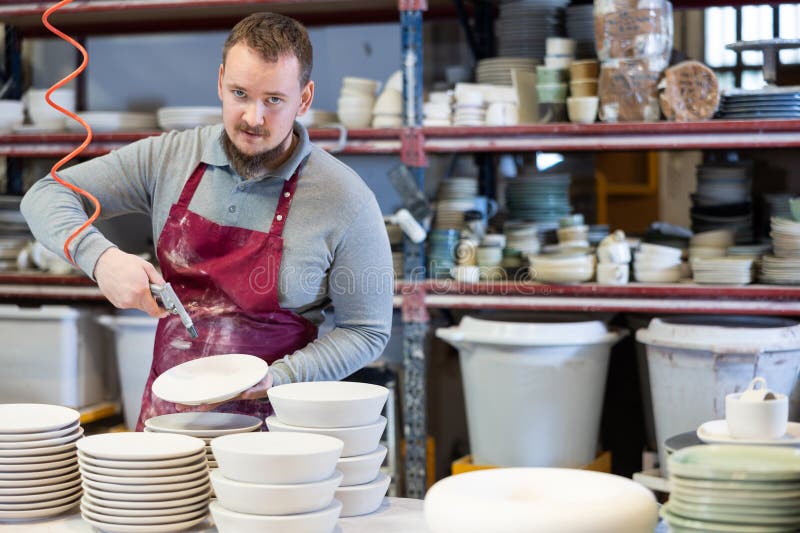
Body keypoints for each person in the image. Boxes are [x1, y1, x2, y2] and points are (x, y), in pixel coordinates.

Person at [21, 12, 393, 430]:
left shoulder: (345, 198)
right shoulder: (169, 158)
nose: (253, 118)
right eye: (240, 94)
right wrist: (100, 258)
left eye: (273, 100)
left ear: (304, 99)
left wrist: (282, 376)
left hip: (275, 433)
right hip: (167, 428)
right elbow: (45, 194)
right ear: (220, 82)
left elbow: (367, 332)